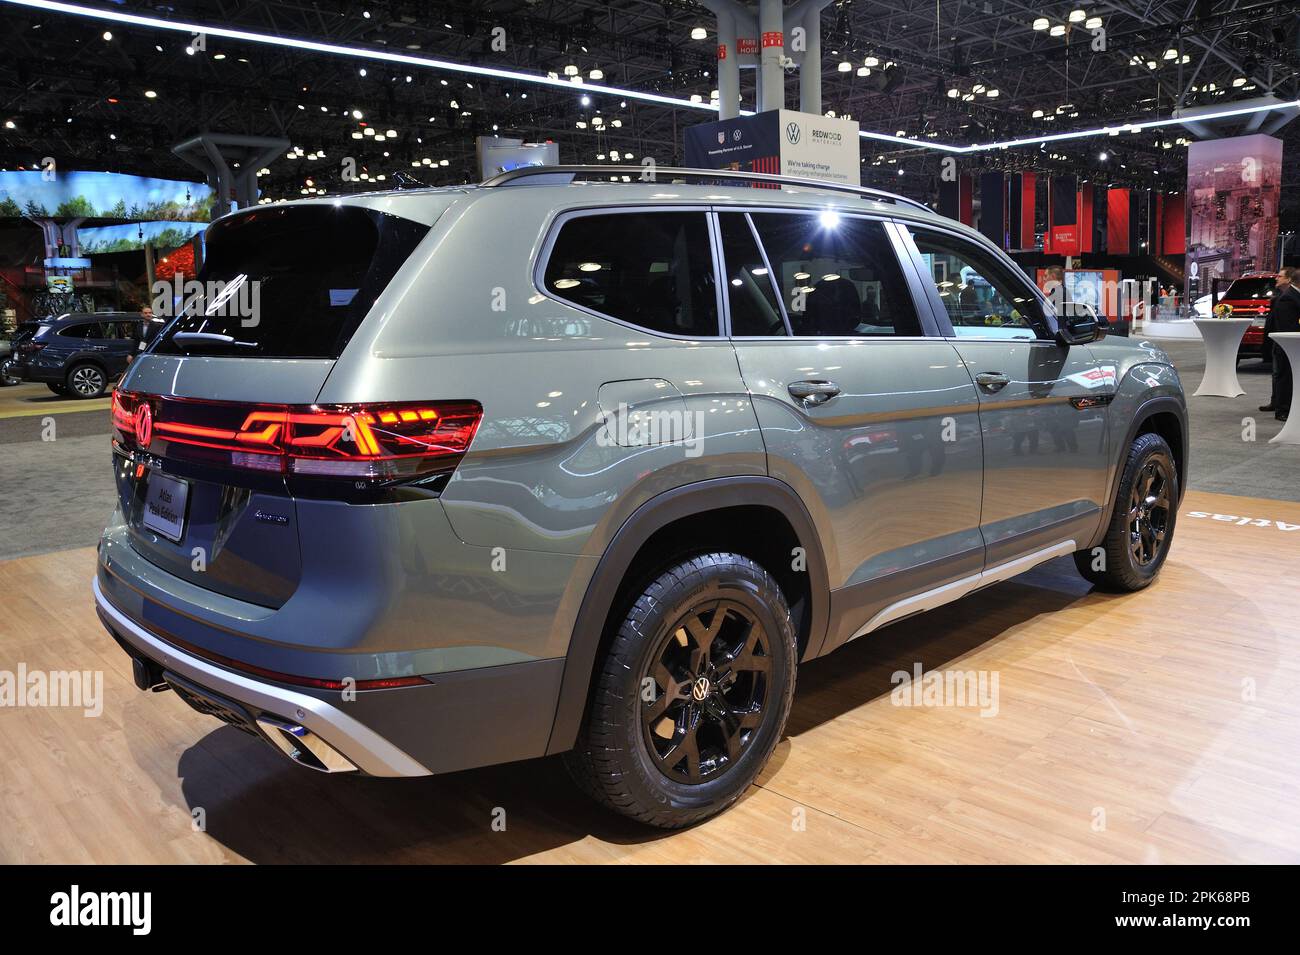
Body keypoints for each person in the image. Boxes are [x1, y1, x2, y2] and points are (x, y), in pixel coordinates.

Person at [1260, 266, 1300, 422]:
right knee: (1284, 375)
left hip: (1284, 343)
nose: (1276, 278)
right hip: (1286, 343)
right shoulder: (1288, 297)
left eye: (1280, 276)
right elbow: (1288, 325)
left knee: (1281, 374)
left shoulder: (1289, 295)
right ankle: (1282, 410)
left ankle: (1279, 404)